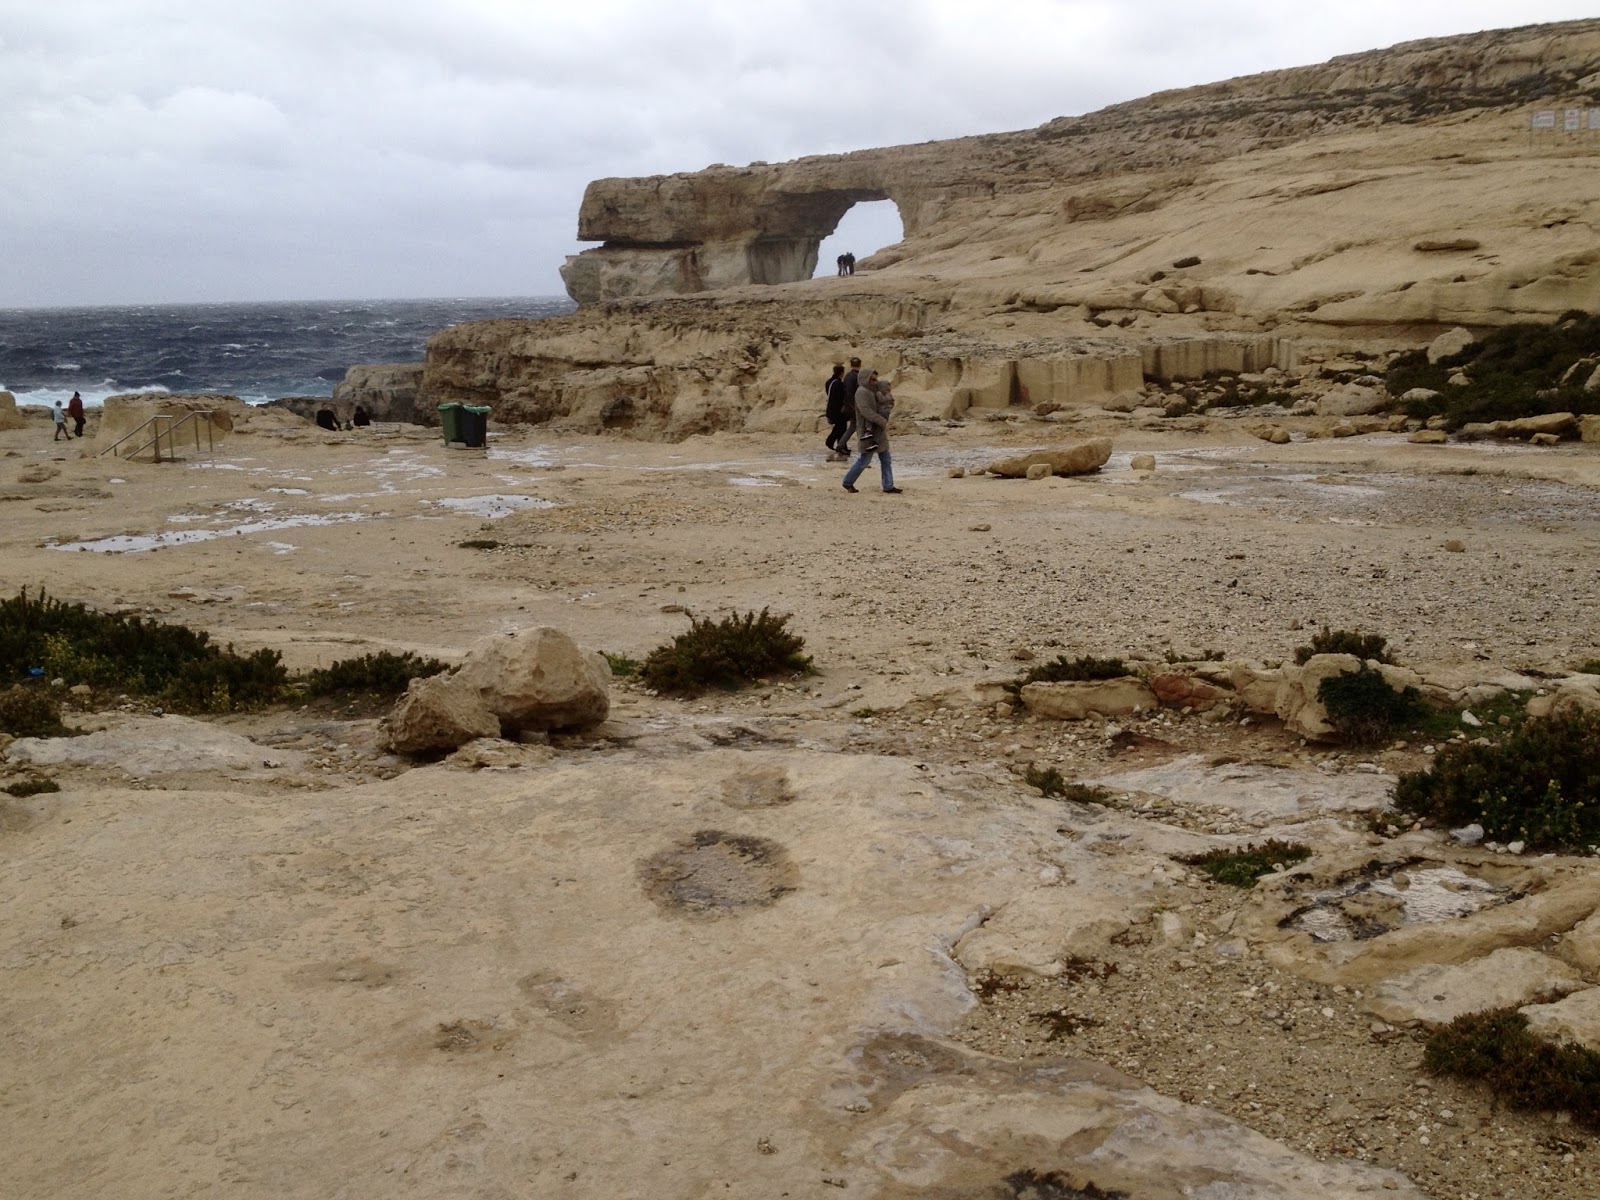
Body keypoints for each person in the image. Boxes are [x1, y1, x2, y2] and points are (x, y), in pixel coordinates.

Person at [841, 369, 902, 494]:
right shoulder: (862, 392)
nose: (875, 382)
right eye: (872, 380)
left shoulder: (872, 391)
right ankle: (848, 482)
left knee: (886, 458)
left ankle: (888, 485)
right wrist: (882, 421)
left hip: (878, 430)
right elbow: (866, 411)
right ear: (865, 379)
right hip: (867, 432)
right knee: (865, 460)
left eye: (876, 379)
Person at [823, 364, 851, 460]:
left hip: (831, 409)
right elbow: (840, 398)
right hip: (838, 411)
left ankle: (842, 446)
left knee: (840, 428)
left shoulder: (829, 382)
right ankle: (831, 442)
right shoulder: (838, 384)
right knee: (841, 428)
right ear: (841, 373)